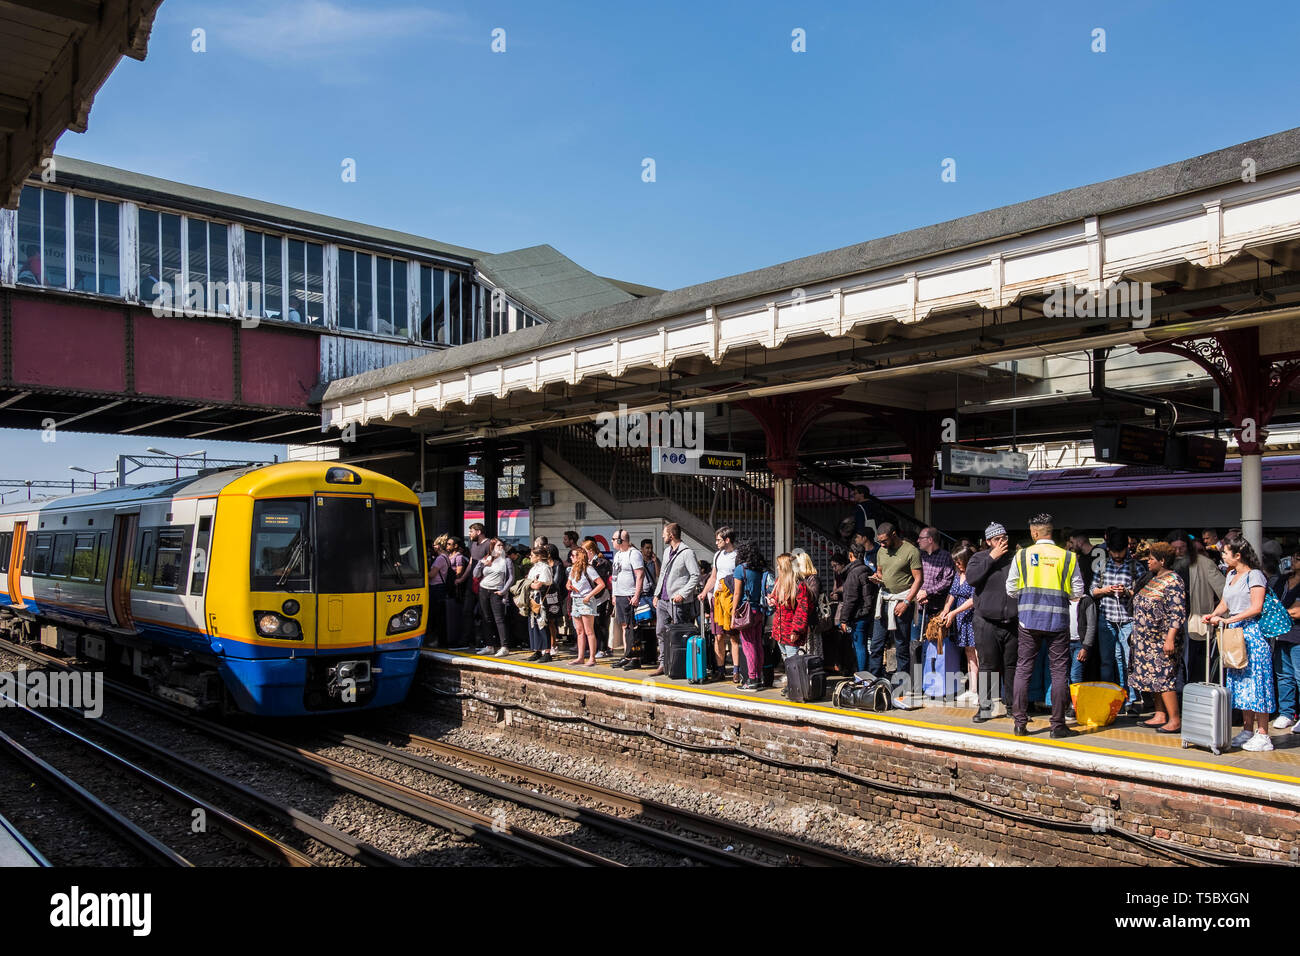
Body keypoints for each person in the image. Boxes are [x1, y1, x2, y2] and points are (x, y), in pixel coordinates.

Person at [1006, 513, 1085, 738]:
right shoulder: (1068, 557)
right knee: (1059, 671)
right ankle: (1057, 726)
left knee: (1023, 668)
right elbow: (1078, 591)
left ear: (1034, 533)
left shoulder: (1021, 555)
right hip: (1058, 620)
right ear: (1051, 531)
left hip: (1028, 620)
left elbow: (1010, 589)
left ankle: (1020, 724)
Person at [1205, 539, 1277, 752]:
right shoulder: (1230, 575)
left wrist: (1229, 620)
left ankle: (1263, 733)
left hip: (1251, 633)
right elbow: (1225, 603)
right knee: (1242, 683)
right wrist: (1215, 614)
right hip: (1235, 632)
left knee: (1257, 683)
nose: (1223, 557)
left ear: (1238, 555)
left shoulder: (1255, 575)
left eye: (1226, 553)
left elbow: (1256, 607)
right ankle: (1247, 729)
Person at [1126, 541, 1186, 733]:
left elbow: (1177, 612)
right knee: (1153, 679)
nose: (1148, 562)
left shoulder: (1173, 581)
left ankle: (1175, 719)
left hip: (1162, 639)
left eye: (1152, 559)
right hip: (1146, 640)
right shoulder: (1153, 578)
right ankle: (1160, 714)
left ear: (1162, 560)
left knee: (1164, 677)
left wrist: (1170, 639)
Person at [967, 522, 1018, 723]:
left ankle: (1013, 707)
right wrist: (991, 558)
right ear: (988, 541)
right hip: (986, 621)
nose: (1002, 542)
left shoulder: (1014, 558)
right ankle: (985, 707)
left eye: (1004, 538)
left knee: (1012, 666)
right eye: (997, 539)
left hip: (1011, 621)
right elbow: (972, 579)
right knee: (988, 665)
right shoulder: (978, 558)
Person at [1093, 530, 1143, 717]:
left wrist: (1127, 592)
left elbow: (1143, 594)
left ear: (1126, 549)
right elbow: (1092, 591)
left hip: (1128, 620)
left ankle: (1131, 700)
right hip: (1106, 618)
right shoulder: (1102, 566)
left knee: (1129, 661)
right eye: (1113, 552)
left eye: (1119, 552)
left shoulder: (1136, 567)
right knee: (1107, 661)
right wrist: (1105, 590)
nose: (1116, 556)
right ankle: (1109, 697)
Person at [867, 522, 922, 684]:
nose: (882, 545)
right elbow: (880, 571)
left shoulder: (911, 551)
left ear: (894, 534)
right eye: (879, 542)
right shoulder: (881, 551)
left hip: (901, 601)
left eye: (884, 541)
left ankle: (902, 685)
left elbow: (919, 579)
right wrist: (877, 578)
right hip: (884, 600)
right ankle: (873, 682)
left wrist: (906, 602)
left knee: (901, 646)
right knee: (876, 644)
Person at [647, 522, 699, 677]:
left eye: (664, 533)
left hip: (678, 602)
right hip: (663, 600)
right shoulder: (667, 551)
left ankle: (679, 665)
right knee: (661, 632)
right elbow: (662, 574)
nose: (662, 536)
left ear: (671, 535)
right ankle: (663, 664)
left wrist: (683, 593)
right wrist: (656, 595)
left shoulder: (687, 553)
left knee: (679, 634)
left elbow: (695, 575)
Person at [939, 546, 979, 706]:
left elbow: (973, 599)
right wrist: (946, 609)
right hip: (960, 617)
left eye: (959, 561)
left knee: (977, 654)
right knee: (969, 653)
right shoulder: (958, 574)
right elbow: (952, 593)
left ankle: (981, 690)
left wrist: (954, 612)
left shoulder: (975, 574)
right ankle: (973, 688)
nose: (957, 564)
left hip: (972, 615)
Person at [700, 527, 739, 681]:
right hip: (717, 599)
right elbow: (713, 577)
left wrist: (729, 586)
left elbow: (741, 578)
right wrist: (704, 592)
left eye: (719, 540)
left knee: (734, 636)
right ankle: (720, 670)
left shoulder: (737, 556)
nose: (716, 543)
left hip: (730, 599)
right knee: (718, 635)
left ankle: (736, 670)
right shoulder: (717, 555)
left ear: (727, 540)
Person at [732, 542, 769, 690]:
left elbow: (737, 593)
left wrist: (733, 612)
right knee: (758, 644)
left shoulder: (740, 570)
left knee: (748, 645)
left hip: (746, 611)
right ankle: (758, 677)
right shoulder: (759, 570)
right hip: (759, 610)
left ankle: (752, 679)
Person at [770, 553, 811, 685]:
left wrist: (796, 631)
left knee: (793, 660)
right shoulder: (779, 583)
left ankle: (795, 686)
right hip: (780, 629)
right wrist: (772, 601)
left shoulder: (799, 586)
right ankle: (792, 685)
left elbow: (802, 611)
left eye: (779, 565)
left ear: (785, 567)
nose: (777, 568)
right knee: (787, 659)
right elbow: (778, 603)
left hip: (790, 630)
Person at [836, 543, 877, 673]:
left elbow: (851, 599)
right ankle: (869, 674)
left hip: (858, 615)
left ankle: (862, 676)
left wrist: (843, 619)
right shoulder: (868, 570)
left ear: (850, 555)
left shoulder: (853, 573)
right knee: (867, 645)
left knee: (860, 647)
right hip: (869, 613)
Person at [1271, 548, 1300, 731]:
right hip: (1281, 635)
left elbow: (1297, 611)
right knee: (1283, 676)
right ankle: (1287, 713)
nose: (1294, 561)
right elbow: (1271, 603)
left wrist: (1279, 614)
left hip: (1297, 636)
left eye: (1298, 558)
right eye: (1294, 557)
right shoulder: (1283, 580)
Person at [610, 529, 647, 670]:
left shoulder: (634, 554)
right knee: (625, 627)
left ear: (620, 540)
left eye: (614, 539)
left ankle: (635, 657)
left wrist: (636, 595)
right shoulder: (618, 555)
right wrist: (614, 594)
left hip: (629, 595)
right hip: (619, 594)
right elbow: (614, 576)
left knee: (633, 628)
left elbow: (640, 575)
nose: (612, 541)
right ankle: (627, 655)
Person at [913, 527, 954, 647]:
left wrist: (927, 593)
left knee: (935, 642)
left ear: (930, 539)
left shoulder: (946, 557)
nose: (918, 541)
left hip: (937, 609)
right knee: (916, 643)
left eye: (921, 538)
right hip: (919, 607)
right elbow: (913, 577)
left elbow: (947, 581)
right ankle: (918, 667)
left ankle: (933, 666)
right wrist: (918, 593)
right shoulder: (919, 555)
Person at [566, 546, 606, 666]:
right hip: (576, 600)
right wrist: (569, 586)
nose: (571, 558)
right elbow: (568, 583)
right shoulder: (573, 569)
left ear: (579, 556)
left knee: (589, 631)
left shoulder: (588, 569)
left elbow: (601, 584)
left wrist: (589, 596)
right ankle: (580, 657)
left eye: (573, 555)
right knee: (579, 631)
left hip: (586, 601)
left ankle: (592, 658)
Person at [582, 538, 614, 658]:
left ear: (590, 551)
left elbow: (602, 580)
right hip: (591, 597)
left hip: (602, 597)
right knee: (593, 624)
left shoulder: (602, 562)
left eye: (584, 551)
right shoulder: (586, 564)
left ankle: (603, 648)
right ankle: (594, 648)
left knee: (601, 624)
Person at [524, 545, 554, 662]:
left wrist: (529, 583)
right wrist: (530, 583)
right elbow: (530, 582)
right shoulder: (534, 568)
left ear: (539, 556)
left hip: (541, 599)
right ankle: (537, 649)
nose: (530, 557)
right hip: (533, 597)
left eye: (532, 555)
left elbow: (537, 585)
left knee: (542, 624)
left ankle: (547, 651)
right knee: (533, 625)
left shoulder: (545, 568)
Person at [445, 537, 471, 649]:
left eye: (450, 544)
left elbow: (459, 573)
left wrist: (454, 580)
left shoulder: (459, 557)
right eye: (447, 544)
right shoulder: (448, 556)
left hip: (456, 589)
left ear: (455, 546)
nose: (447, 546)